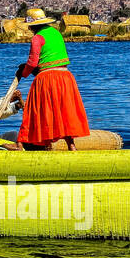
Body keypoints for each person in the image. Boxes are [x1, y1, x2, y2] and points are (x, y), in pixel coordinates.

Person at [14, 8, 90, 151]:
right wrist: (30, 69)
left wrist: (23, 73)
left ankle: (21, 144)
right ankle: (71, 146)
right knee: (64, 111)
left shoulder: (37, 38)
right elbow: (51, 59)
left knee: (38, 110)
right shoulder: (56, 33)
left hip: (48, 79)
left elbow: (32, 63)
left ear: (32, 26)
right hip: (66, 77)